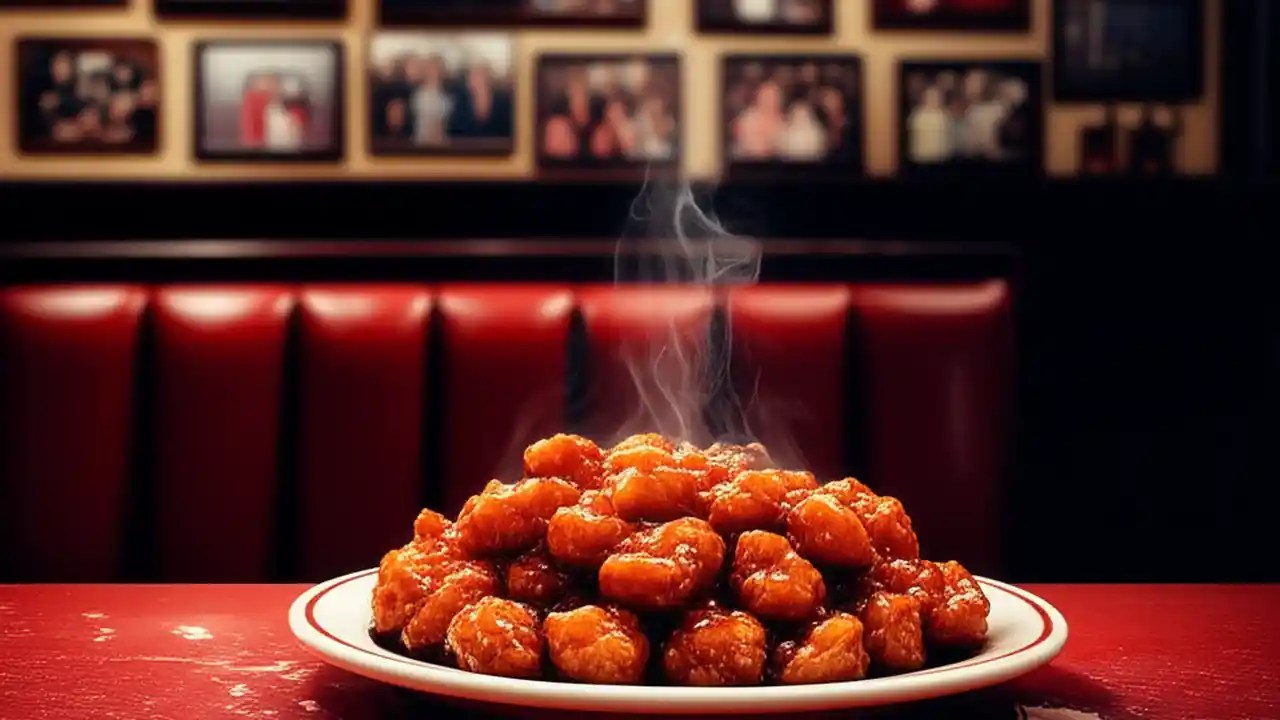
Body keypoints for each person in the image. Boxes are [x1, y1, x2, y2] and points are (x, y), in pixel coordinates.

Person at [449, 61, 513, 140]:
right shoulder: (462, 99)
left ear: (488, 79)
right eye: (471, 77)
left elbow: (508, 130)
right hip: (466, 147)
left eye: (478, 76)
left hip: (497, 148)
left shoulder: (503, 100)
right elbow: (454, 129)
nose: (472, 80)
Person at [732, 79, 785, 159]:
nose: (772, 101)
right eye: (768, 96)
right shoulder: (749, 119)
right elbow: (755, 149)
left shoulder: (783, 122)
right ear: (759, 98)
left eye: (775, 97)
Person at [412, 55, 454, 146]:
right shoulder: (419, 96)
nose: (433, 73)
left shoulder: (447, 99)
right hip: (422, 145)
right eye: (430, 70)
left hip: (443, 146)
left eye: (436, 70)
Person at [908, 84, 952, 164]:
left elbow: (948, 139)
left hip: (940, 156)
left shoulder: (945, 115)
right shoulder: (917, 115)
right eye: (930, 97)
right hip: (921, 156)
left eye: (936, 97)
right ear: (924, 98)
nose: (933, 100)